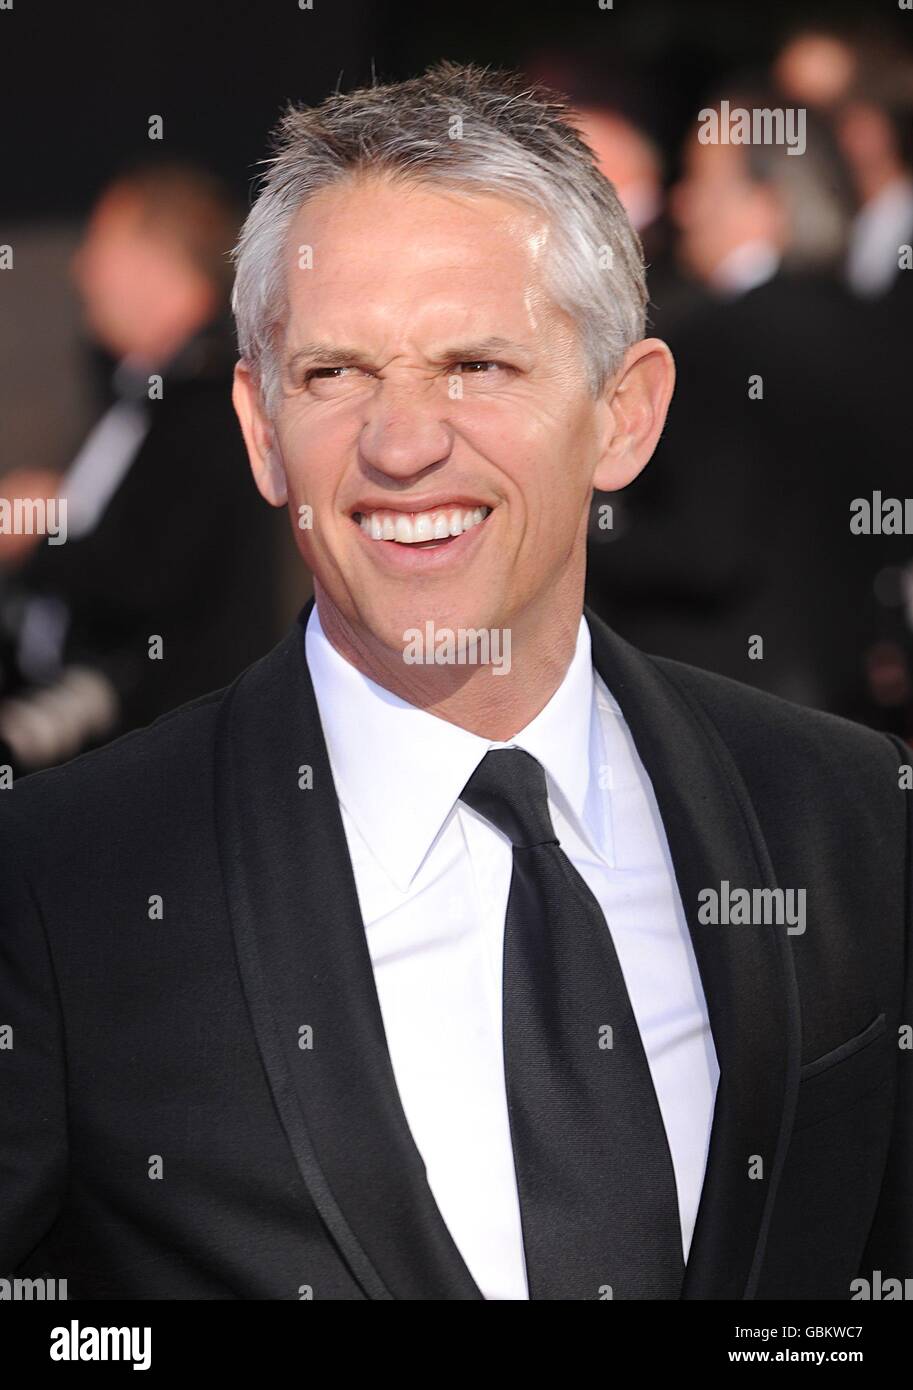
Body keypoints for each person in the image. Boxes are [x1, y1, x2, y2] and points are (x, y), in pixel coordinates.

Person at [0, 62, 909, 1301]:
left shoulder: (850, 817)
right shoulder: (62, 885)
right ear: (264, 431)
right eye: (334, 374)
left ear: (624, 416)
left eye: (477, 365)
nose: (402, 441)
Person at [0, 165, 279, 772]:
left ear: (158, 259)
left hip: (162, 752)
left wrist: (33, 535)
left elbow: (145, 577)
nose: (81, 270)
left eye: (102, 246)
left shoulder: (209, 402)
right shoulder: (151, 396)